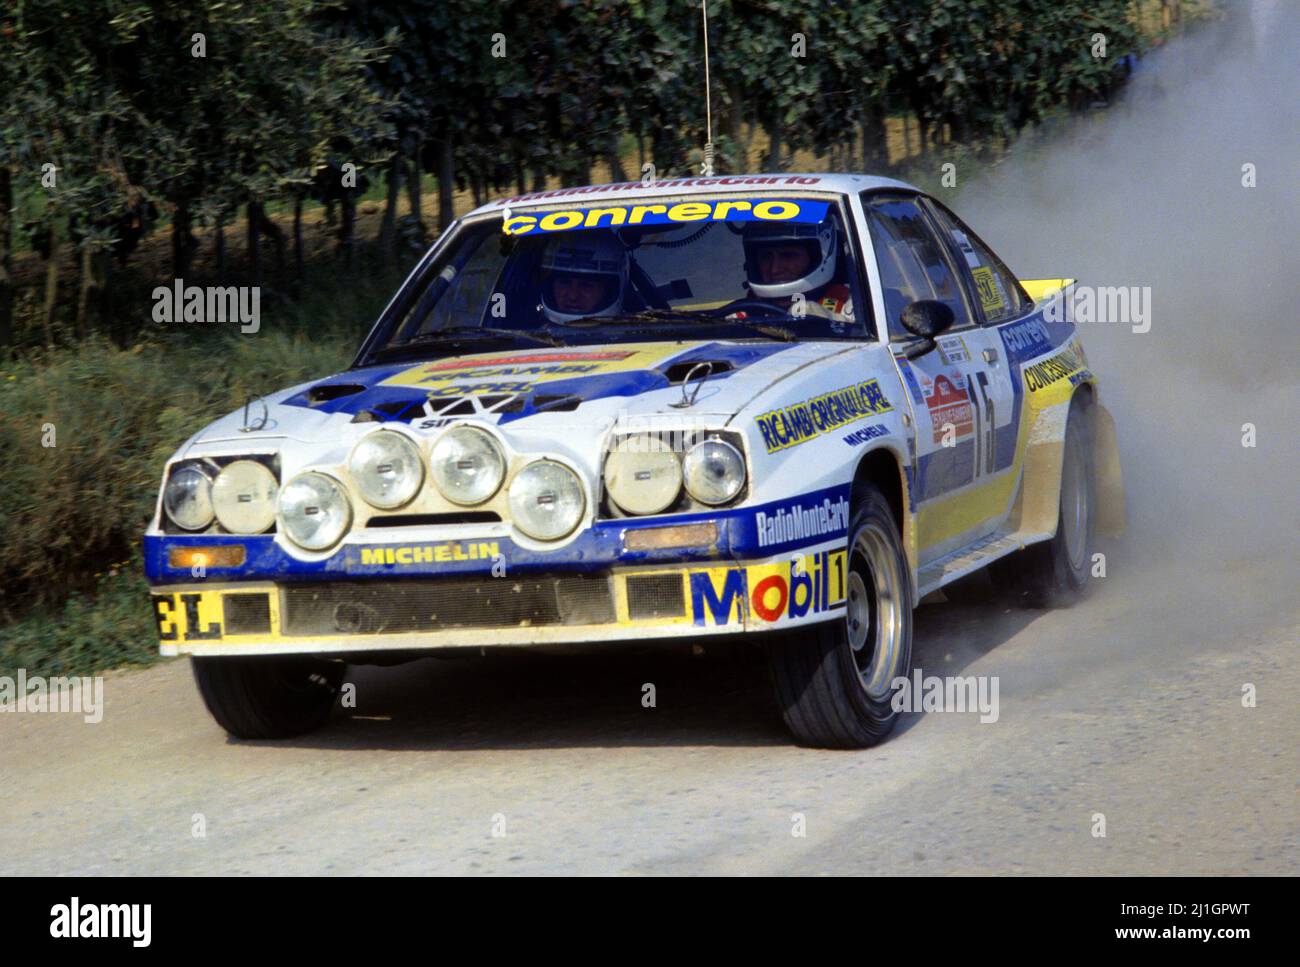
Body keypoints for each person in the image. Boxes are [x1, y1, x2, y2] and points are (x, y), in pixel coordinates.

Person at [728, 218, 853, 322]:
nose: (774, 269)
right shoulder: (735, 319)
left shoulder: (856, 312)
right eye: (766, 257)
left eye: (788, 256)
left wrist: (830, 323)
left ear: (816, 257)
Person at [538, 233, 629, 323]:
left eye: (586, 285)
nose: (573, 296)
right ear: (550, 286)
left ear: (608, 291)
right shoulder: (526, 332)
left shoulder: (637, 334)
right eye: (565, 282)